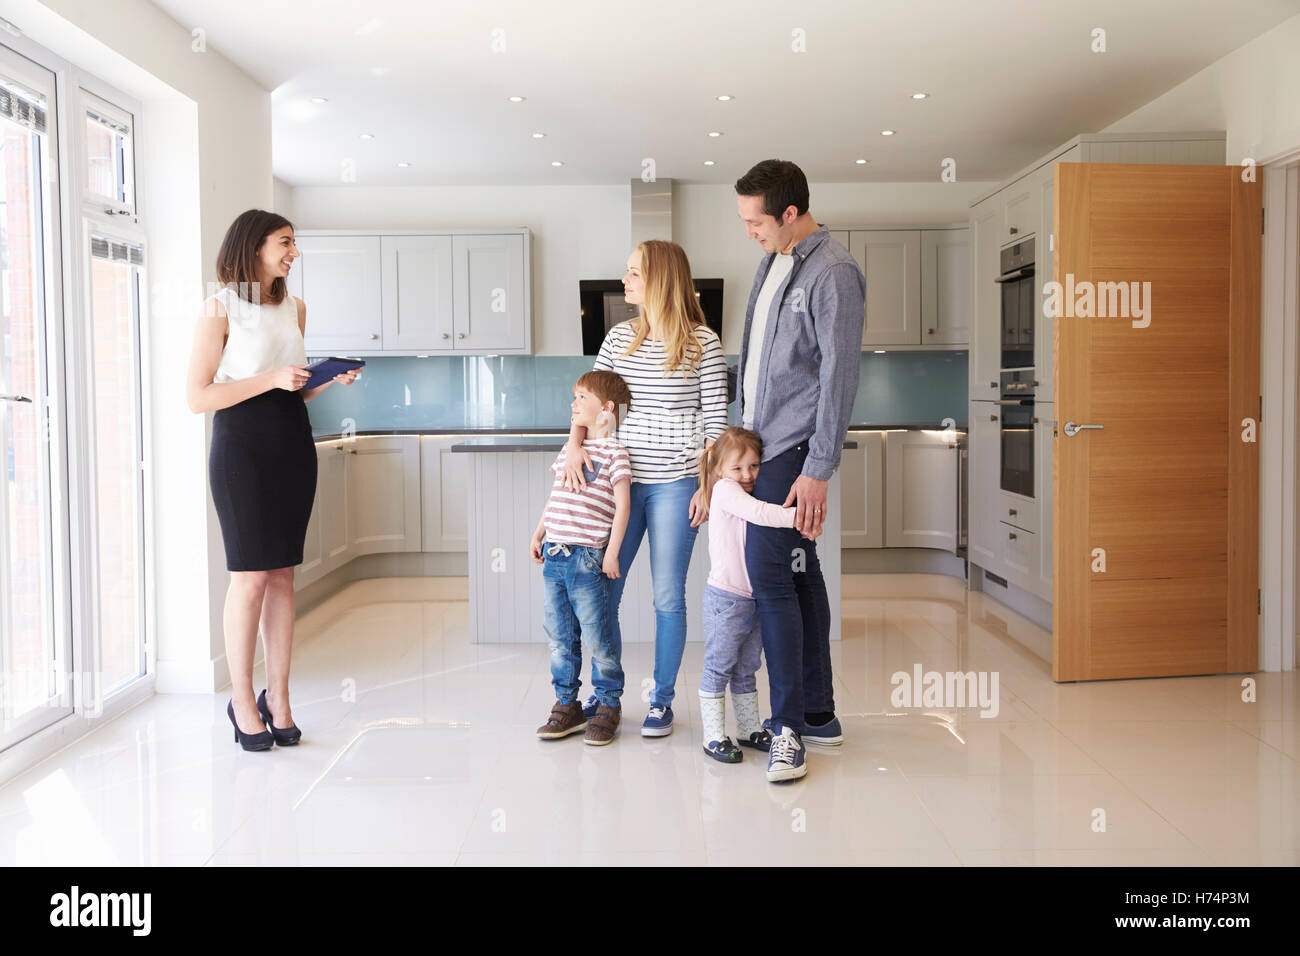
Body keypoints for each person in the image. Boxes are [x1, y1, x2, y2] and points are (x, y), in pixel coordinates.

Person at [186, 209, 361, 751]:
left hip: (292, 440)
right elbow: (199, 397)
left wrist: (326, 382)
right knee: (251, 577)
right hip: (241, 446)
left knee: (284, 574)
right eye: (285, 242)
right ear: (253, 246)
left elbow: (293, 388)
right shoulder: (218, 308)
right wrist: (271, 378)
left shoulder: (294, 307)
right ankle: (242, 703)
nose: (294, 252)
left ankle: (278, 699)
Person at [561, 240, 727, 737]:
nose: (625, 280)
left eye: (634, 273)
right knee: (602, 591)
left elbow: (716, 425)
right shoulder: (617, 340)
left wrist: (707, 485)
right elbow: (590, 404)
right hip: (621, 484)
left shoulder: (703, 343)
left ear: (660, 280)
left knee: (666, 598)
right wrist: (574, 445)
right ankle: (606, 694)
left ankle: (660, 700)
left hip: (678, 485)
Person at [734, 160, 866, 782]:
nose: (750, 232)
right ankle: (817, 714)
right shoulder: (772, 264)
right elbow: (756, 364)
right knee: (799, 572)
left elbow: (838, 377)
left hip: (795, 452)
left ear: (790, 213)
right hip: (761, 446)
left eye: (756, 221)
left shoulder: (833, 272)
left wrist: (818, 468)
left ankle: (786, 730)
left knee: (772, 580)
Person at [696, 427, 819, 769]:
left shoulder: (736, 486)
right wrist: (800, 515)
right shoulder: (724, 490)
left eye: (754, 466)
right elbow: (761, 514)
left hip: (751, 599)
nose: (747, 475)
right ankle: (713, 734)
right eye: (738, 468)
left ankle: (749, 729)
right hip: (726, 599)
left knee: (747, 668)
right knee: (719, 667)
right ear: (720, 469)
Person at [531, 370, 633, 745]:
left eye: (581, 398)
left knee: (598, 637)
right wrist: (539, 531)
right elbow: (556, 494)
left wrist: (612, 554)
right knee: (560, 636)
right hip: (555, 556)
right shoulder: (570, 450)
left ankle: (607, 705)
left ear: (605, 409)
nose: (573, 404)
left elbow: (622, 508)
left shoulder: (616, 453)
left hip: (589, 559)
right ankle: (567, 704)